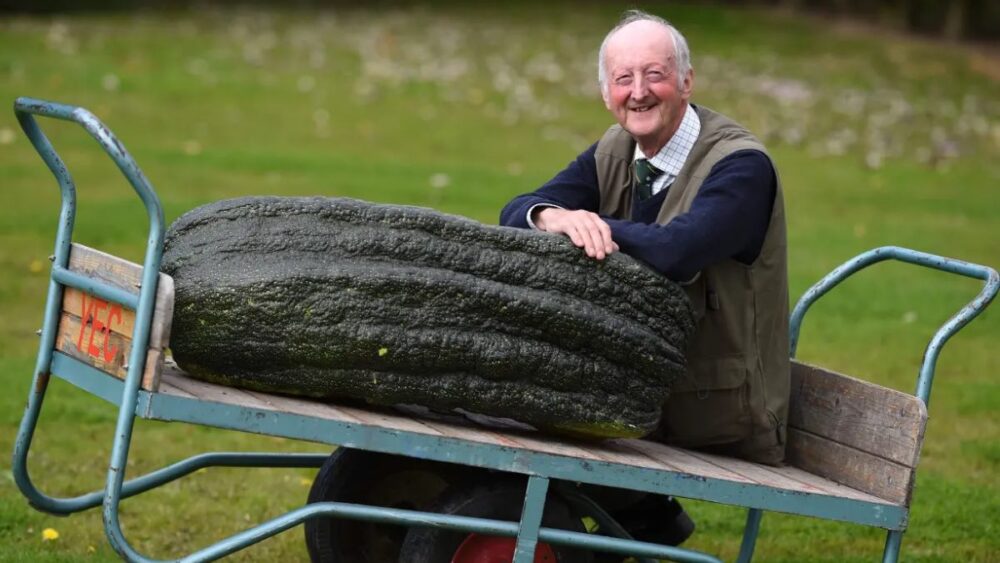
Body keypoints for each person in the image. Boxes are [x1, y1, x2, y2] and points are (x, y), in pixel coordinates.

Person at [500, 9, 791, 547]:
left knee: (510, 415)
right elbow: (515, 211)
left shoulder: (742, 166)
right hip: (637, 392)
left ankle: (625, 521)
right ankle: (639, 521)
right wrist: (554, 216)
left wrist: (590, 224)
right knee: (495, 405)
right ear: (606, 92)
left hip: (717, 411)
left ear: (686, 81)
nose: (639, 92)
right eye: (623, 78)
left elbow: (679, 251)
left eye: (654, 74)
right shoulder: (616, 150)